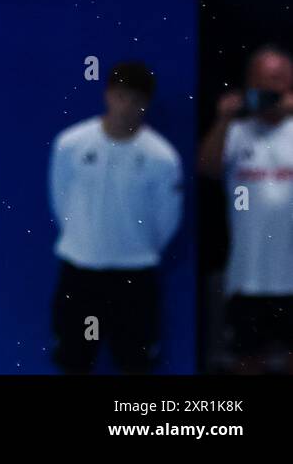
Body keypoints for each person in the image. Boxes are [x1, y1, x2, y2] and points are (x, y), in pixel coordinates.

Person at [48, 62, 182, 373]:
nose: (126, 107)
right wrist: (86, 243)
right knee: (73, 362)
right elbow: (61, 200)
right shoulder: (70, 144)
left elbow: (166, 221)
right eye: (120, 96)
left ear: (146, 104)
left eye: (135, 100)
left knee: (135, 363)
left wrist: (132, 250)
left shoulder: (162, 158)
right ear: (108, 94)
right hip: (80, 274)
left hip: (134, 279)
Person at [198, 45, 293, 373]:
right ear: (251, 84)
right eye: (267, 80)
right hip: (247, 277)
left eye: (281, 79)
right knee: (247, 363)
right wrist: (224, 119)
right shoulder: (236, 133)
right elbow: (207, 167)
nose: (274, 87)